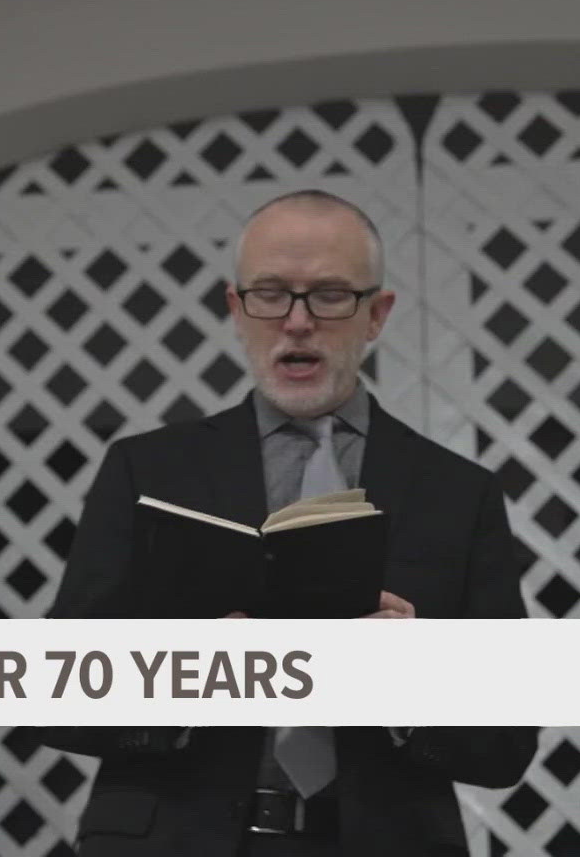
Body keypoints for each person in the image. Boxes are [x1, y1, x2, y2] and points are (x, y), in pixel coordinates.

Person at [42, 190, 537, 856]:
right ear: (235, 308)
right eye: (270, 294)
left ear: (376, 314)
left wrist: (416, 687)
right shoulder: (146, 470)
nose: (297, 322)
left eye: (330, 295)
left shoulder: (459, 492)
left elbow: (507, 745)